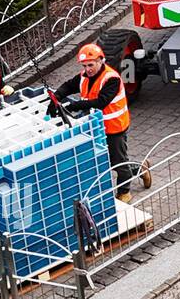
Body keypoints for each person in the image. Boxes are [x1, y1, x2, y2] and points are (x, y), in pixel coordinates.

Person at [50, 44, 151, 203]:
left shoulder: (111, 79)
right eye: (84, 66)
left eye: (91, 65)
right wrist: (56, 97)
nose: (87, 69)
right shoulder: (84, 76)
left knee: (117, 161)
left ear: (101, 61)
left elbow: (101, 102)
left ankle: (124, 192)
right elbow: (68, 86)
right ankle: (139, 168)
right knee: (109, 160)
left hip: (114, 127)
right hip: (97, 127)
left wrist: (73, 105)